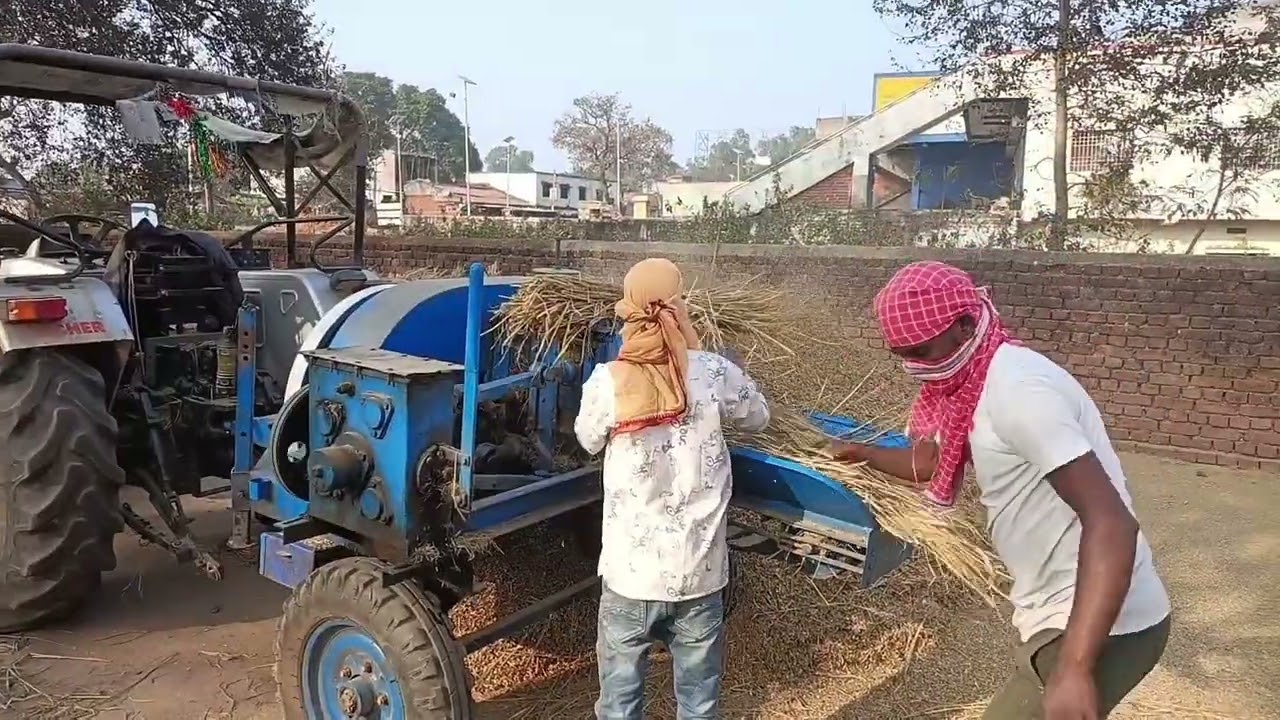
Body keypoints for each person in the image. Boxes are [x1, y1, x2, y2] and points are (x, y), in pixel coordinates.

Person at [832, 261, 1171, 720]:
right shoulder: (966, 381)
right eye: (903, 356)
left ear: (964, 325)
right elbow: (930, 461)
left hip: (1101, 623)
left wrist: (1074, 666)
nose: (915, 367)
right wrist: (861, 454)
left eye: (923, 351)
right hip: (1058, 609)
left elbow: (1111, 523)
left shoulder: (1018, 393)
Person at [574, 257, 771, 720]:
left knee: (620, 706)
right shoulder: (713, 373)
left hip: (630, 577)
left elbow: (586, 439)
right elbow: (760, 416)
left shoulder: (610, 381)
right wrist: (698, 349)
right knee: (698, 705)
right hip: (699, 574)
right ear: (679, 307)